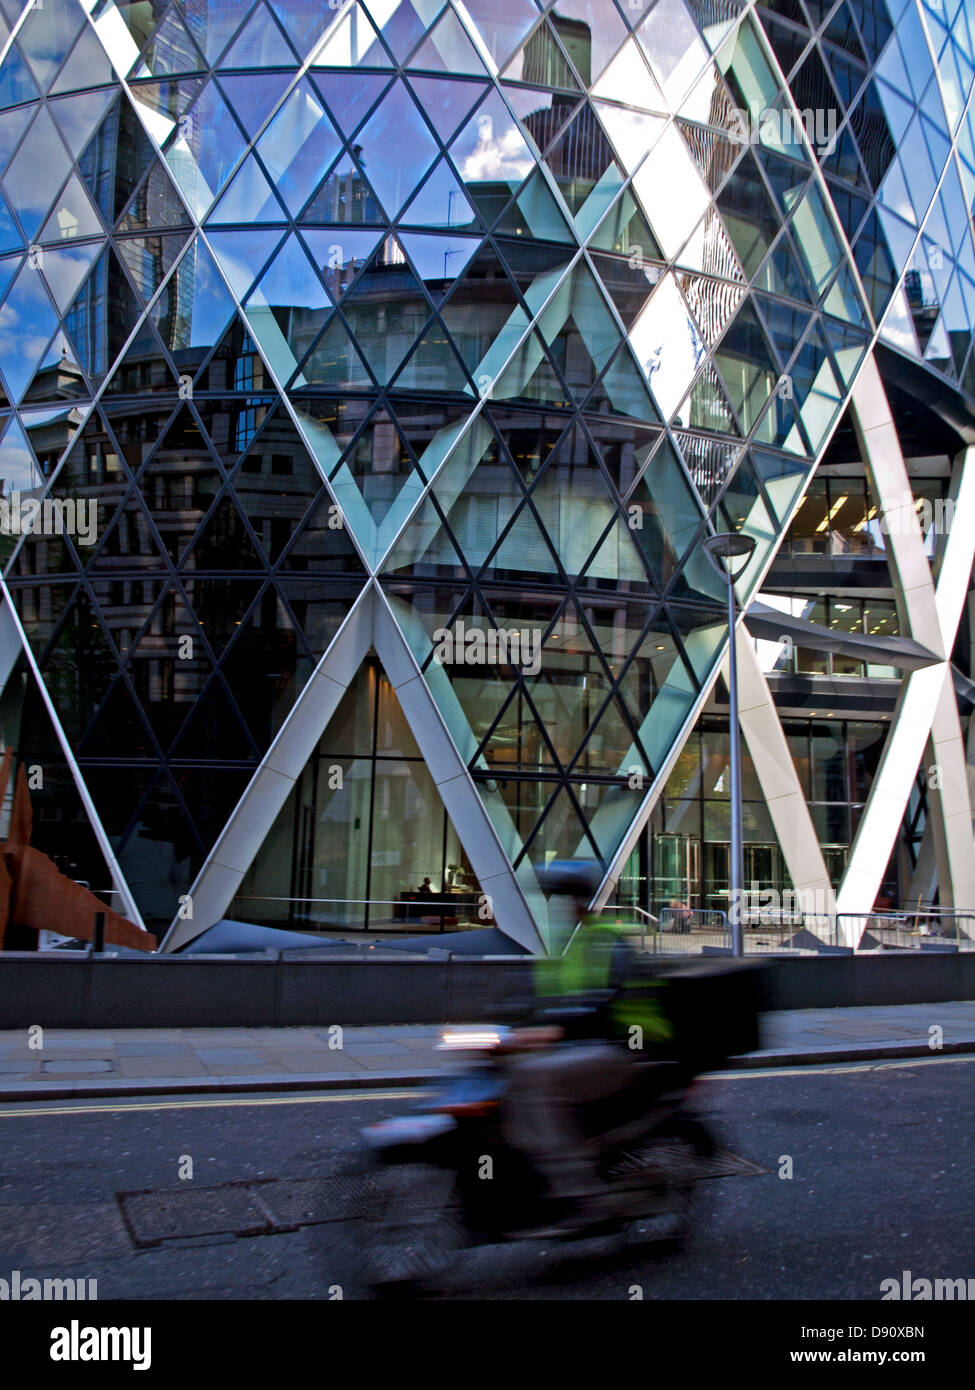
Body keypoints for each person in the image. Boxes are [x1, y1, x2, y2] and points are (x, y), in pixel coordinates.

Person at [501, 861, 674, 1236]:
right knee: (507, 1079)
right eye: (556, 900)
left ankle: (580, 1195)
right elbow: (542, 1001)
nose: (560, 907)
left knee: (535, 1079)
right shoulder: (569, 944)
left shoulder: (608, 941)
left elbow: (605, 1004)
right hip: (583, 1046)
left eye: (565, 899)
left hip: (624, 1048)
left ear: (581, 901)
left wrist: (555, 1033)